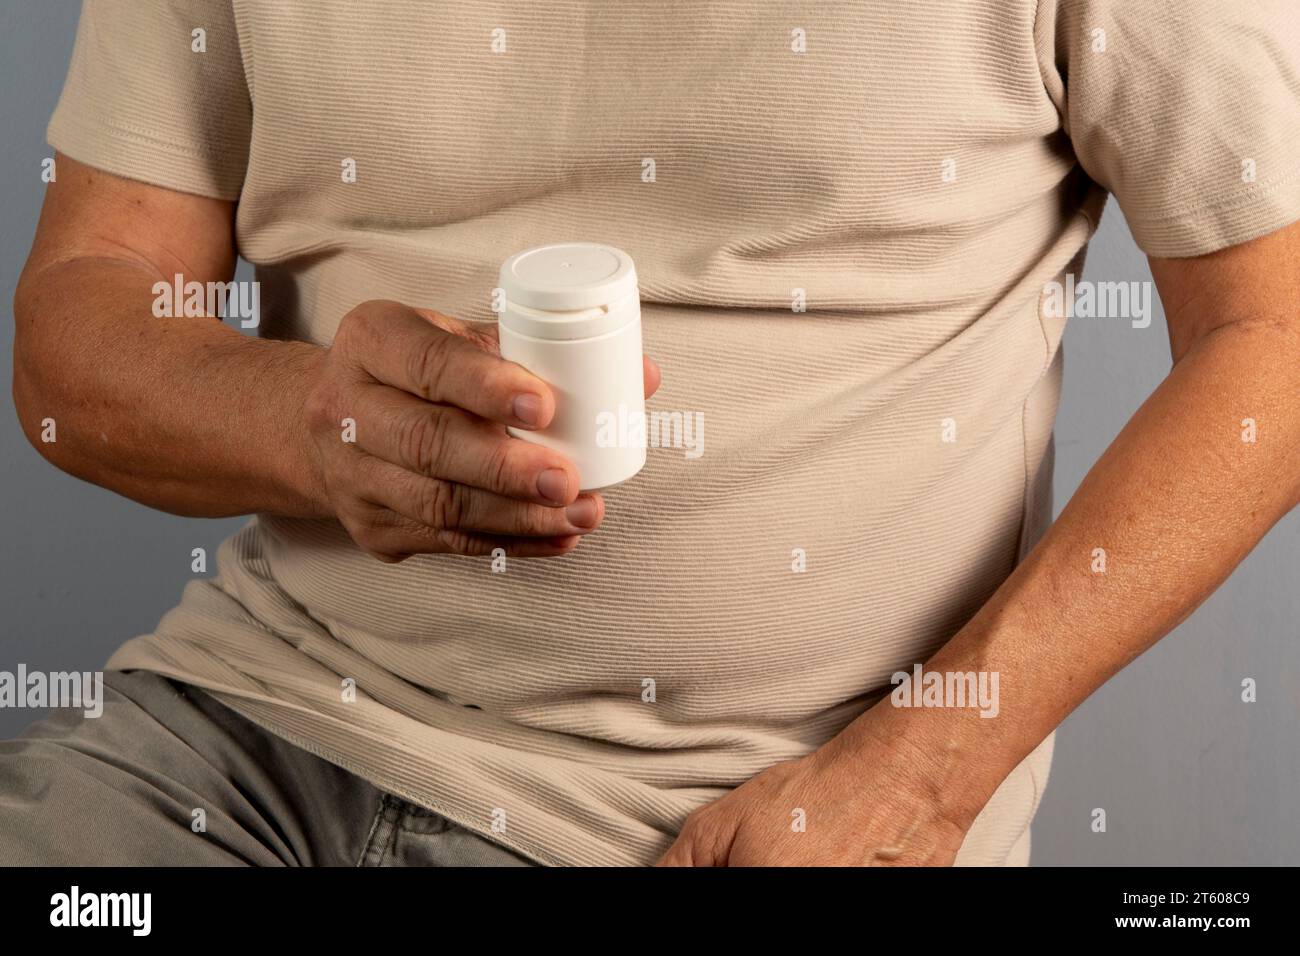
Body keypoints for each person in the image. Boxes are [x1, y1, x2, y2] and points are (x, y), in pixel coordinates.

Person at [3, 0, 1298, 867]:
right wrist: (311, 426)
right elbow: (83, 311)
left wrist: (923, 779)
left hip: (714, 826)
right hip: (233, 733)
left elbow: (1275, 338)